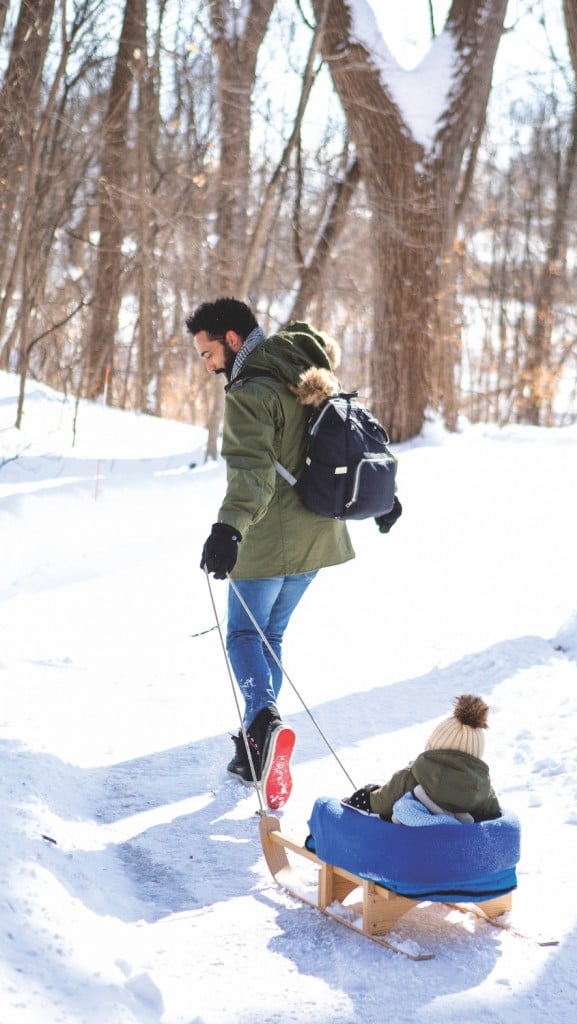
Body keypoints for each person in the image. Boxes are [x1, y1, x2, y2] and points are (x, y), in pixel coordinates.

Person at [186, 298, 402, 808]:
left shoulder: (249, 392)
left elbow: (251, 473)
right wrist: (383, 498)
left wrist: (228, 529)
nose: (208, 364)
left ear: (233, 340)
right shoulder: (305, 371)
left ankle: (262, 722)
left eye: (207, 353)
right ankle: (254, 747)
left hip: (268, 538)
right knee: (271, 635)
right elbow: (346, 444)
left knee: (242, 633)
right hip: (319, 537)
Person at [343, 694, 501, 823]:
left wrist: (365, 795)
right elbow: (495, 817)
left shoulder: (410, 777)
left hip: (411, 856)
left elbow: (379, 804)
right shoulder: (483, 792)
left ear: (433, 747)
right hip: (458, 858)